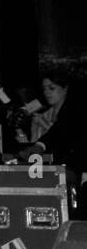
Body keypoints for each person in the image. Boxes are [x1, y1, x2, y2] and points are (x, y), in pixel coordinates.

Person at [19, 71, 85, 209]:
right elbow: (42, 140)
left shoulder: (76, 109)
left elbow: (62, 134)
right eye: (44, 89)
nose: (47, 92)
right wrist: (25, 140)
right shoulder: (42, 115)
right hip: (50, 171)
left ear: (65, 88)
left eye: (52, 88)